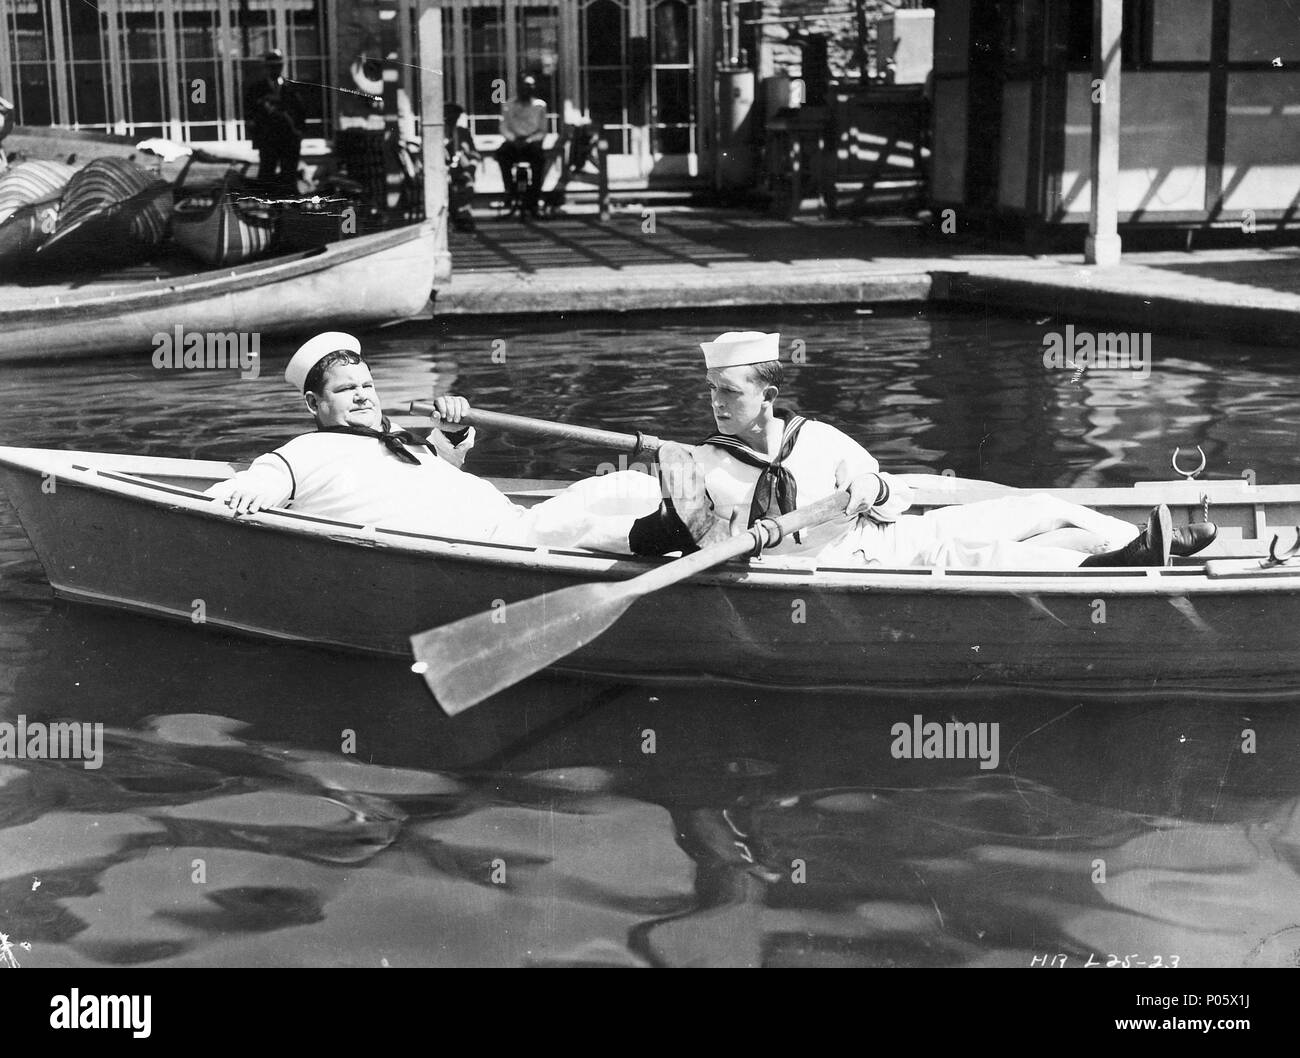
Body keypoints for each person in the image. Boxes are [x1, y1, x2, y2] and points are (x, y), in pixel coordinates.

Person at [629, 331, 1218, 569]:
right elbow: (653, 541)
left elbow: (893, 500)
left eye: (728, 393)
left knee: (1039, 509)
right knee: (993, 561)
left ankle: (1133, 542)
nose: (716, 404)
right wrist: (669, 521)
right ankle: (1114, 563)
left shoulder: (820, 439)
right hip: (841, 575)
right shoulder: (704, 463)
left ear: (768, 396)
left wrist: (873, 489)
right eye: (712, 392)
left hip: (890, 539)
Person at [206, 332, 660, 551]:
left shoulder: (396, 438)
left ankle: (694, 522)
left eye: (367, 385)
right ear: (313, 403)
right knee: (598, 516)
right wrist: (250, 492)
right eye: (346, 390)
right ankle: (680, 533)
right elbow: (262, 479)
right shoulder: (305, 451)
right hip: (491, 549)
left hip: (516, 522)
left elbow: (436, 470)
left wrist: (452, 431)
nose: (363, 395)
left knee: (627, 485)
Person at [243, 49, 306, 194]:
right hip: (268, 141)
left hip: (289, 141)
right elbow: (249, 116)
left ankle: (288, 213)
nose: (275, 69)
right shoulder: (256, 89)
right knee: (266, 179)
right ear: (265, 67)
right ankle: (269, 212)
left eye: (278, 66)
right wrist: (257, 137)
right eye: (271, 66)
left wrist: (298, 135)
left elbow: (301, 113)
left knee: (289, 178)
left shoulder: (290, 87)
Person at [497, 75, 548, 219]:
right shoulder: (508, 105)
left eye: (530, 87)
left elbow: (543, 130)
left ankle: (533, 199)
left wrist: (530, 140)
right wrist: (513, 139)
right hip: (514, 142)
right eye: (524, 86)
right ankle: (510, 191)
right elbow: (503, 127)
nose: (526, 90)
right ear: (519, 88)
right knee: (501, 154)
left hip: (531, 142)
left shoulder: (540, 105)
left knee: (539, 160)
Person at [445, 103, 481, 232]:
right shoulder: (438, 133)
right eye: (449, 117)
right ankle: (458, 217)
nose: (452, 120)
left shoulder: (463, 132)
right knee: (448, 185)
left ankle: (463, 215)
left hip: (461, 169)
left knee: (467, 184)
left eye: (455, 117)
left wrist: (470, 167)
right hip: (443, 171)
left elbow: (475, 154)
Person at [0, 95, 14, 174]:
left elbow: (10, 107)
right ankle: (4, 163)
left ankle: (3, 164)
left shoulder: (7, 111)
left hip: (4, 127)